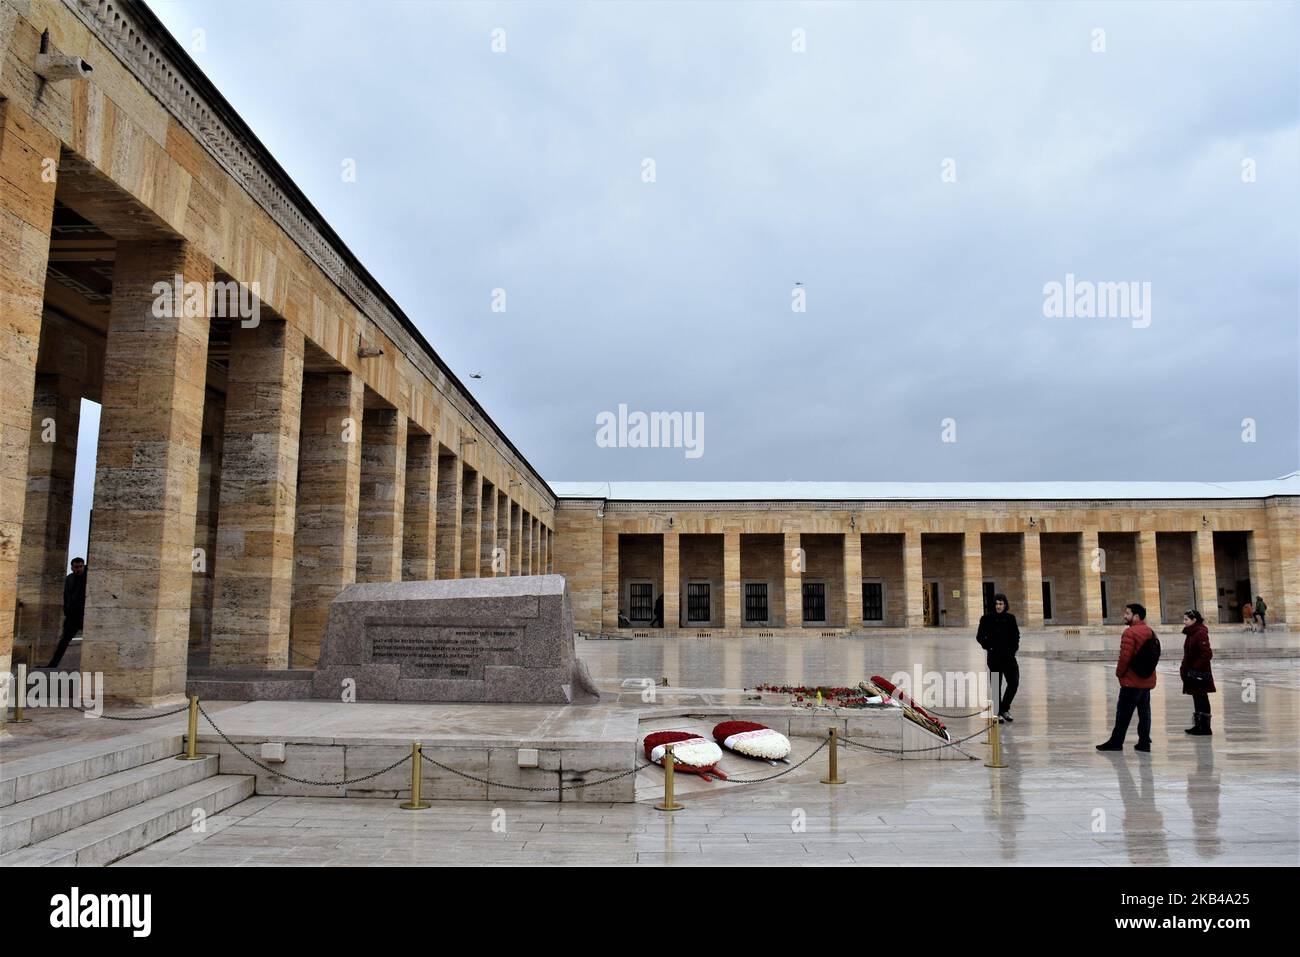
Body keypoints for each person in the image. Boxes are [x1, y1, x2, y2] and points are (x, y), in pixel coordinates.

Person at [1097, 602, 1157, 753]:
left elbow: (1125, 657)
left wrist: (1119, 673)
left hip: (1132, 681)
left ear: (1136, 616)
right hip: (1147, 679)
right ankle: (1144, 742)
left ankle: (1116, 742)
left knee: (1123, 713)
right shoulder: (1150, 631)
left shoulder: (1130, 633)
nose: (1125, 616)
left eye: (1127, 613)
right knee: (1145, 713)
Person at [976, 592, 1020, 723]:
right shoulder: (986, 618)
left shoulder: (1011, 618)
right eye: (996, 604)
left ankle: (1004, 708)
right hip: (994, 657)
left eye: (1001, 604)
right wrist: (989, 647)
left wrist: (1013, 649)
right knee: (996, 685)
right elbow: (979, 637)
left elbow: (1016, 636)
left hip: (1009, 657)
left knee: (1014, 683)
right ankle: (997, 712)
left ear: (1005, 605)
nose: (998, 606)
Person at [1179, 609, 1215, 736]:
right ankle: (1198, 725)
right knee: (1197, 697)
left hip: (1199, 673)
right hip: (1192, 672)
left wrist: (1195, 668)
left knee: (1202, 698)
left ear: (1194, 620)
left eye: (1186, 620)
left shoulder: (1199, 633)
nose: (1184, 622)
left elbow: (1207, 653)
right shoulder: (1191, 633)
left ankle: (1205, 727)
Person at [47, 557, 87, 668]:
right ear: (72, 567)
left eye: (80, 566)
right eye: (76, 567)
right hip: (72, 617)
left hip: (85, 616)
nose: (78, 569)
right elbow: (66, 596)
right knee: (63, 641)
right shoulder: (69, 578)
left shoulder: (89, 576)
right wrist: (67, 611)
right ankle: (52, 664)